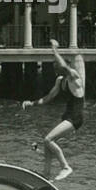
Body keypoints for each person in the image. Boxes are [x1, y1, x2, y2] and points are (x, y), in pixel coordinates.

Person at [23, 40, 85, 181]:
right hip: (68, 116)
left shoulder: (74, 76)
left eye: (56, 65)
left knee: (48, 139)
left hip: (76, 116)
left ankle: (65, 167)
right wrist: (32, 103)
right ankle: (46, 174)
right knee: (48, 144)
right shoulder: (60, 80)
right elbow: (49, 97)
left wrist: (54, 49)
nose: (55, 67)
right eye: (54, 66)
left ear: (65, 66)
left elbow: (63, 65)